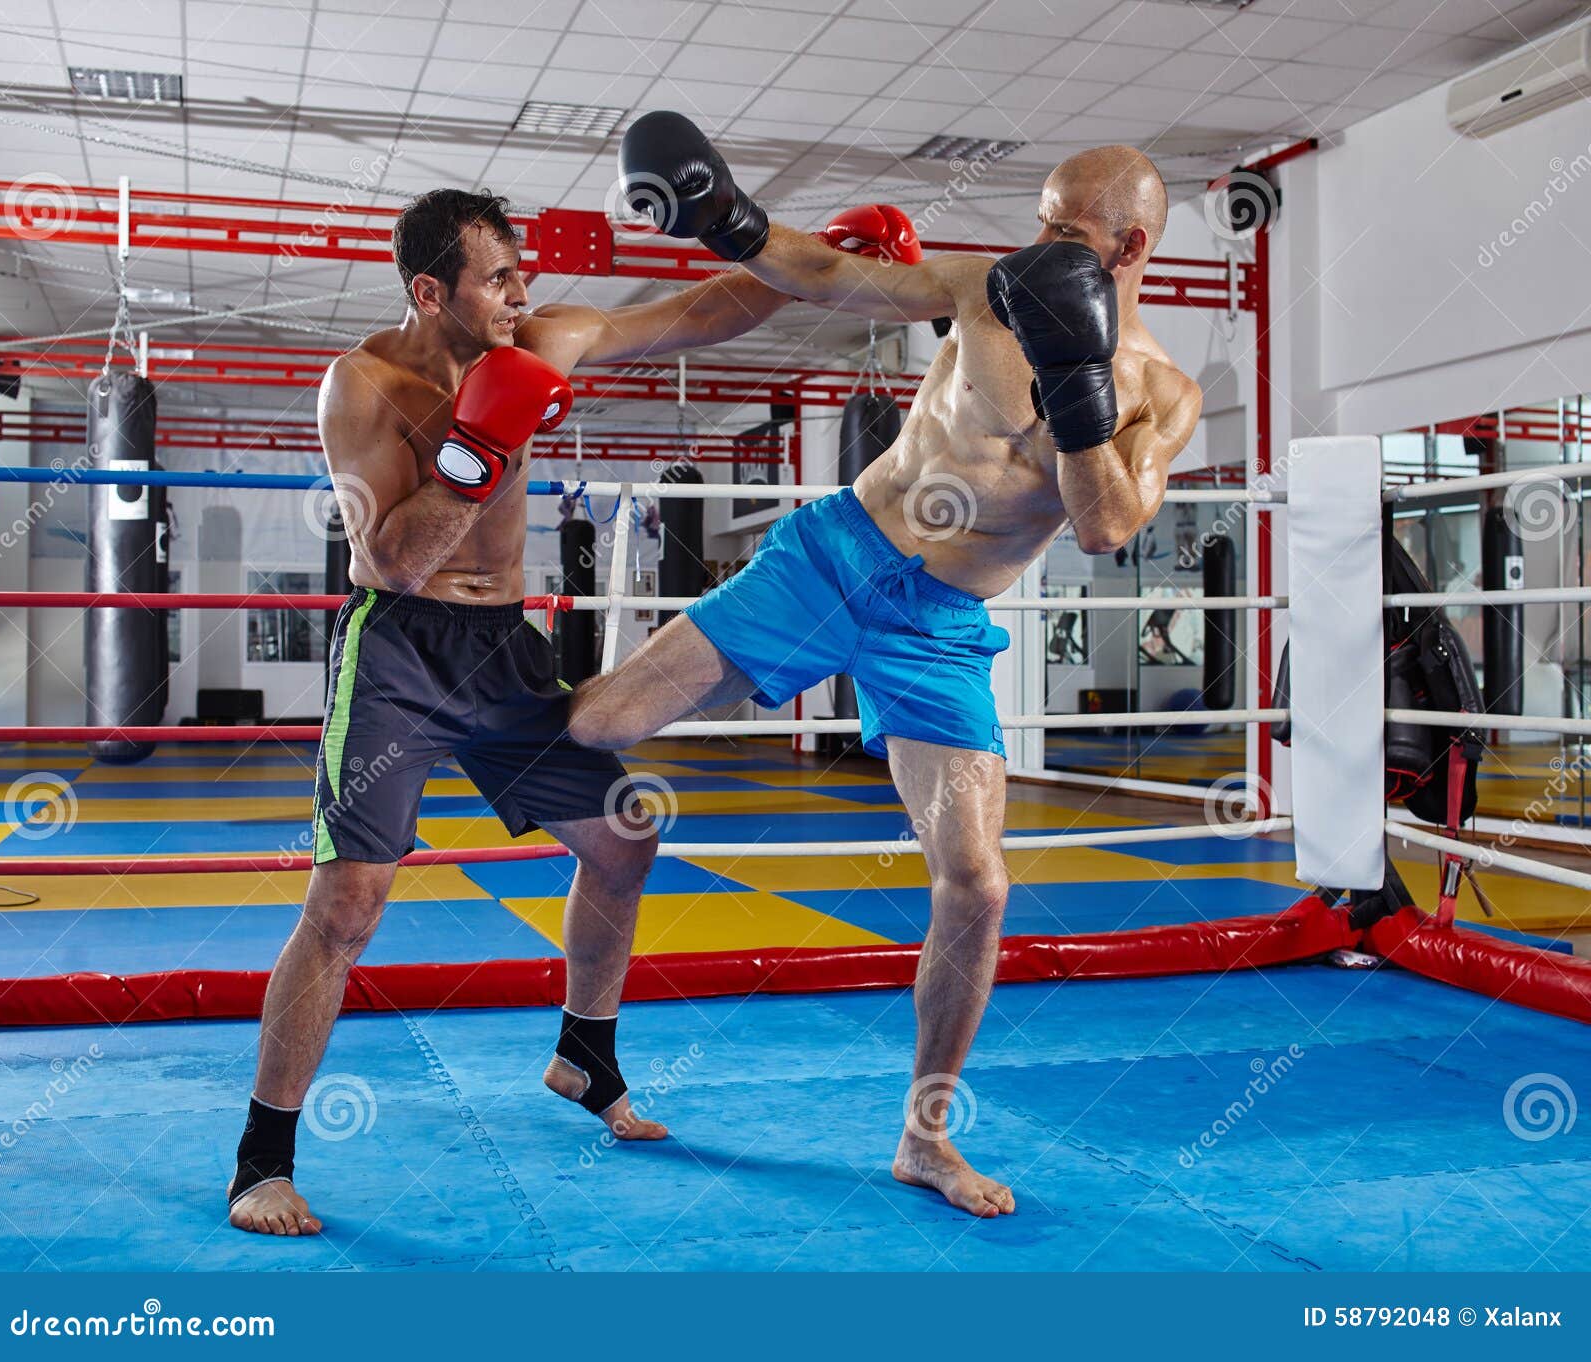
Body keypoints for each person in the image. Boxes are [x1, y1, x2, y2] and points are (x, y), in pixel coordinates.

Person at [568, 115, 1204, 1218]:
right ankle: (584, 1038)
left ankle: (925, 1139)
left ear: (1131, 251)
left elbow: (1105, 525)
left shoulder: (1163, 391)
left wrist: (1074, 384)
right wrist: (727, 217)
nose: (1042, 246)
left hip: (940, 628)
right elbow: (824, 273)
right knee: (589, 729)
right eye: (1040, 221)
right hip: (833, 557)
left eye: (1071, 233)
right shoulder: (981, 286)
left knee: (979, 883)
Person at [229, 187, 792, 1236]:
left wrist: (809, 257)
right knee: (346, 908)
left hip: (503, 656)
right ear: (429, 289)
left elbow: (704, 314)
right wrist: (479, 446)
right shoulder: (361, 385)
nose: (520, 295)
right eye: (498, 278)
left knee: (624, 839)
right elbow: (387, 560)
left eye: (520, 273)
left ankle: (584, 1053)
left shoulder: (544, 338)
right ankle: (262, 1161)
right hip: (400, 649)